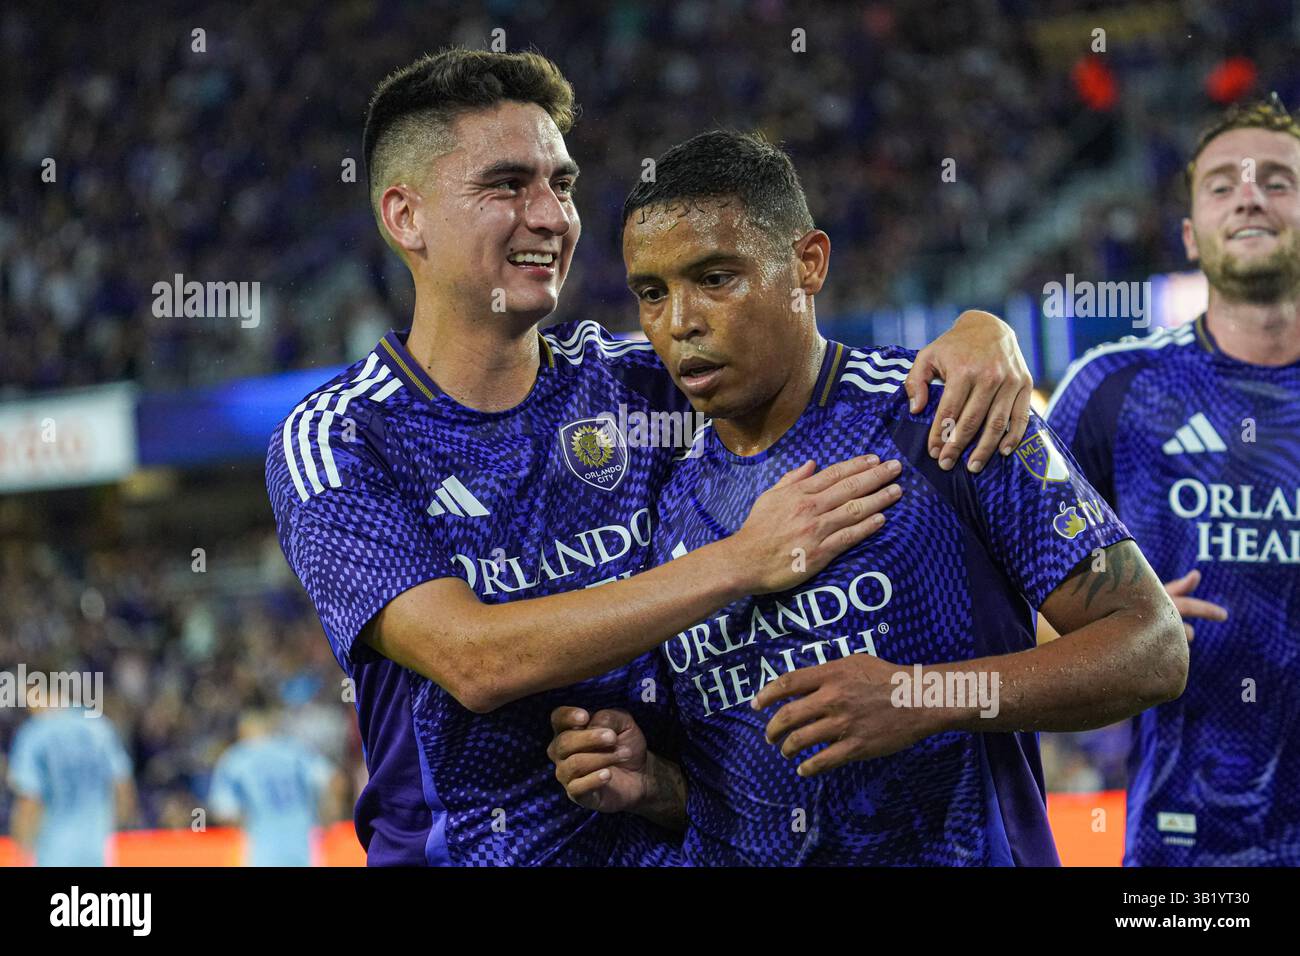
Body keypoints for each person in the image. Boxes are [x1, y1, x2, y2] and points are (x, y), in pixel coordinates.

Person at [266, 47, 1034, 866]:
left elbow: (799, 354)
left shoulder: (641, 383)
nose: (551, 217)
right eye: (506, 186)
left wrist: (974, 333)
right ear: (405, 216)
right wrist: (742, 561)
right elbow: (474, 659)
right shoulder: (342, 439)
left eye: (560, 185)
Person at [547, 130, 1188, 865]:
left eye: (716, 277)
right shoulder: (665, 501)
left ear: (808, 263)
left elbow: (1152, 648)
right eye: (652, 293)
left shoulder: (943, 423)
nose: (680, 321)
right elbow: (739, 788)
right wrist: (654, 783)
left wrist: (920, 696)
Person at [1045, 95, 1300, 866]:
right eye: (1223, 184)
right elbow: (994, 596)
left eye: (1278, 181)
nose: (1249, 195)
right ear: (1191, 234)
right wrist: (1114, 623)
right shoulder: (1113, 388)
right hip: (1180, 850)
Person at [6, 698, 134, 866]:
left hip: (53, 854)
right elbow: (123, 788)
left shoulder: (34, 733)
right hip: (96, 852)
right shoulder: (99, 727)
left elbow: (29, 801)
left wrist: (21, 851)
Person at [208, 709, 340, 867]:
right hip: (303, 847)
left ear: (243, 730)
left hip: (262, 852)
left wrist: (247, 824)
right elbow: (335, 781)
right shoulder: (295, 750)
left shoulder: (237, 758)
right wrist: (327, 818)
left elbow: (224, 812)